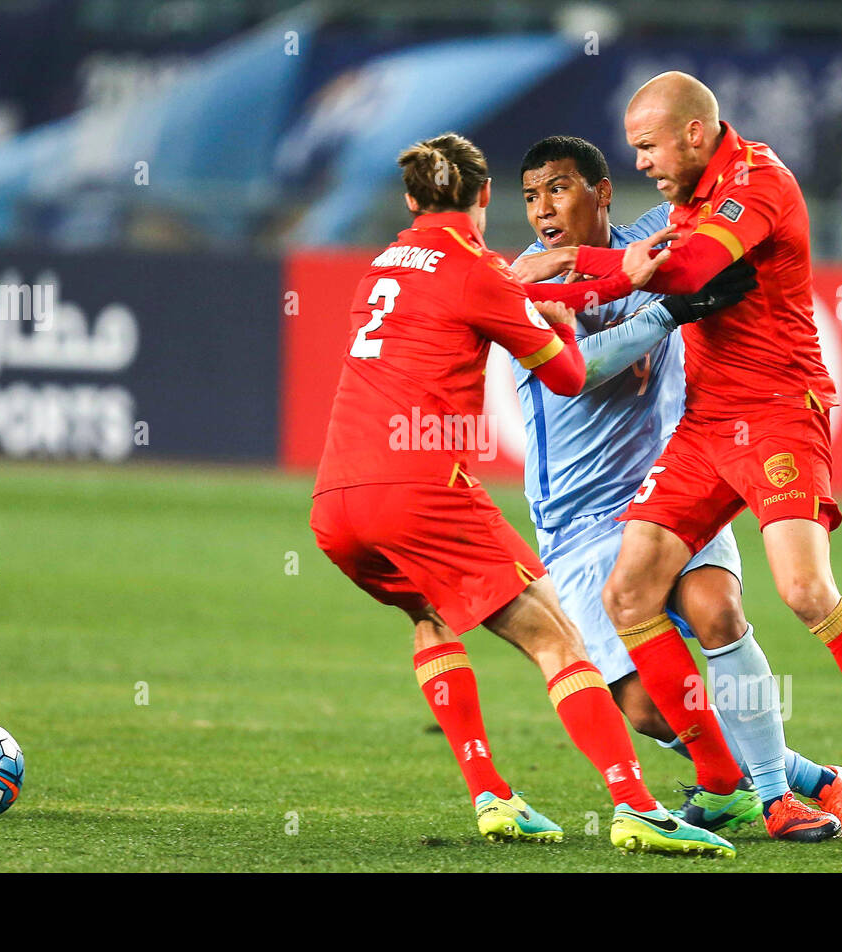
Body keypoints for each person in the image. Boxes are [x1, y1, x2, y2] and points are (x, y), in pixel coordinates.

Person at [511, 75, 842, 850]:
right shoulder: (673, 208)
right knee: (632, 599)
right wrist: (561, 275)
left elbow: (688, 275)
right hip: (695, 435)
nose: (646, 163)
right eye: (530, 197)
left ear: (691, 136)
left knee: (803, 590)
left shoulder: (754, 184)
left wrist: (580, 272)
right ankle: (753, 787)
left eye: (649, 148)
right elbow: (592, 344)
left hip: (780, 413)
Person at [309, 131, 735, 856]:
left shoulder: (377, 269)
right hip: (422, 489)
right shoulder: (482, 271)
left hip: (335, 499)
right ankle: (635, 805)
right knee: (559, 640)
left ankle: (492, 794)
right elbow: (570, 376)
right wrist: (573, 322)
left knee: (430, 619)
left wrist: (565, 289)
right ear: (485, 197)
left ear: (411, 199)